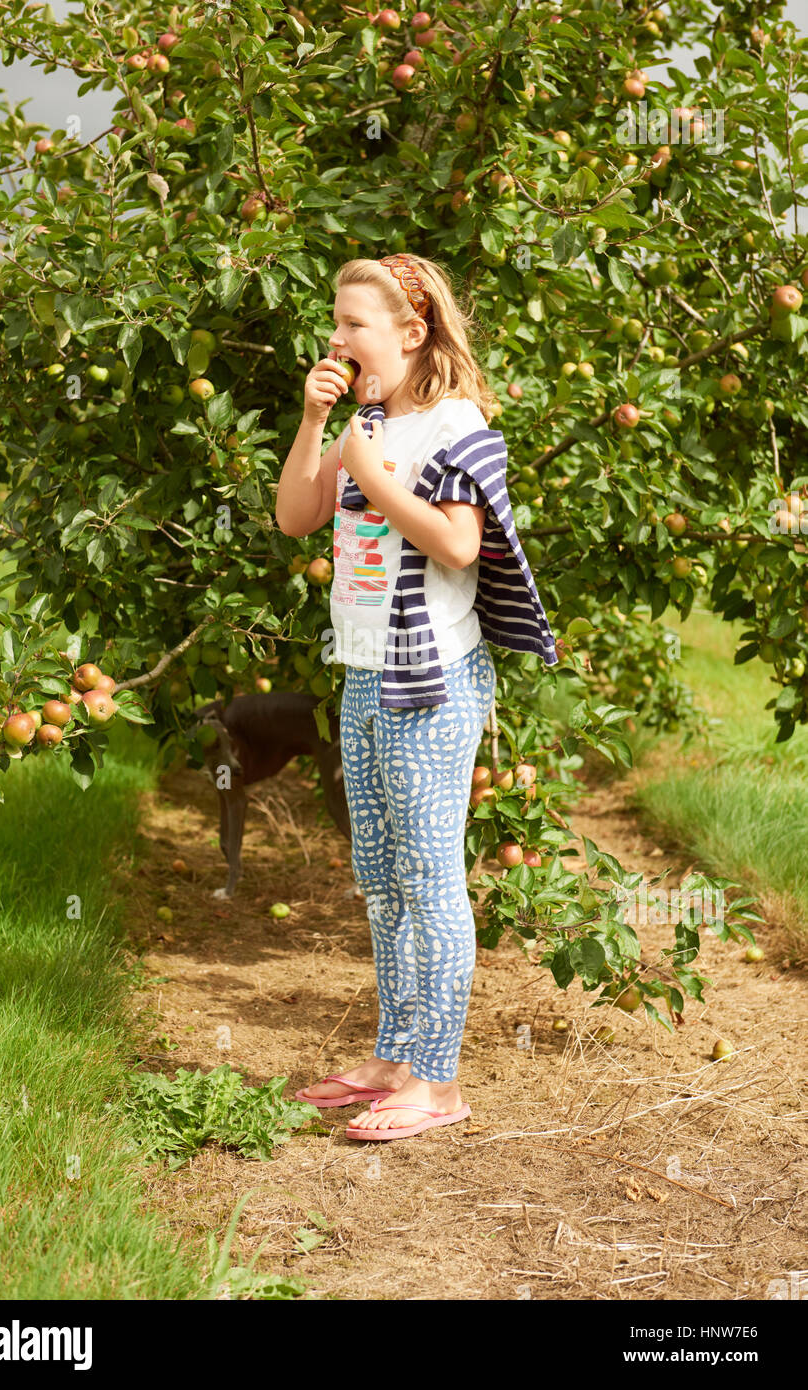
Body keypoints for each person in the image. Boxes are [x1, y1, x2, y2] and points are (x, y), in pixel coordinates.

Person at [276, 253, 557, 1141]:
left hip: (431, 680)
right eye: (336, 321)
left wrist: (375, 466)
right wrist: (317, 422)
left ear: (411, 330)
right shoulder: (359, 418)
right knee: (382, 879)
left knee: (431, 881)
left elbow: (456, 546)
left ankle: (436, 1084)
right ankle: (393, 1058)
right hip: (365, 671)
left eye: (354, 324)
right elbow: (295, 517)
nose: (338, 338)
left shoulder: (452, 424)